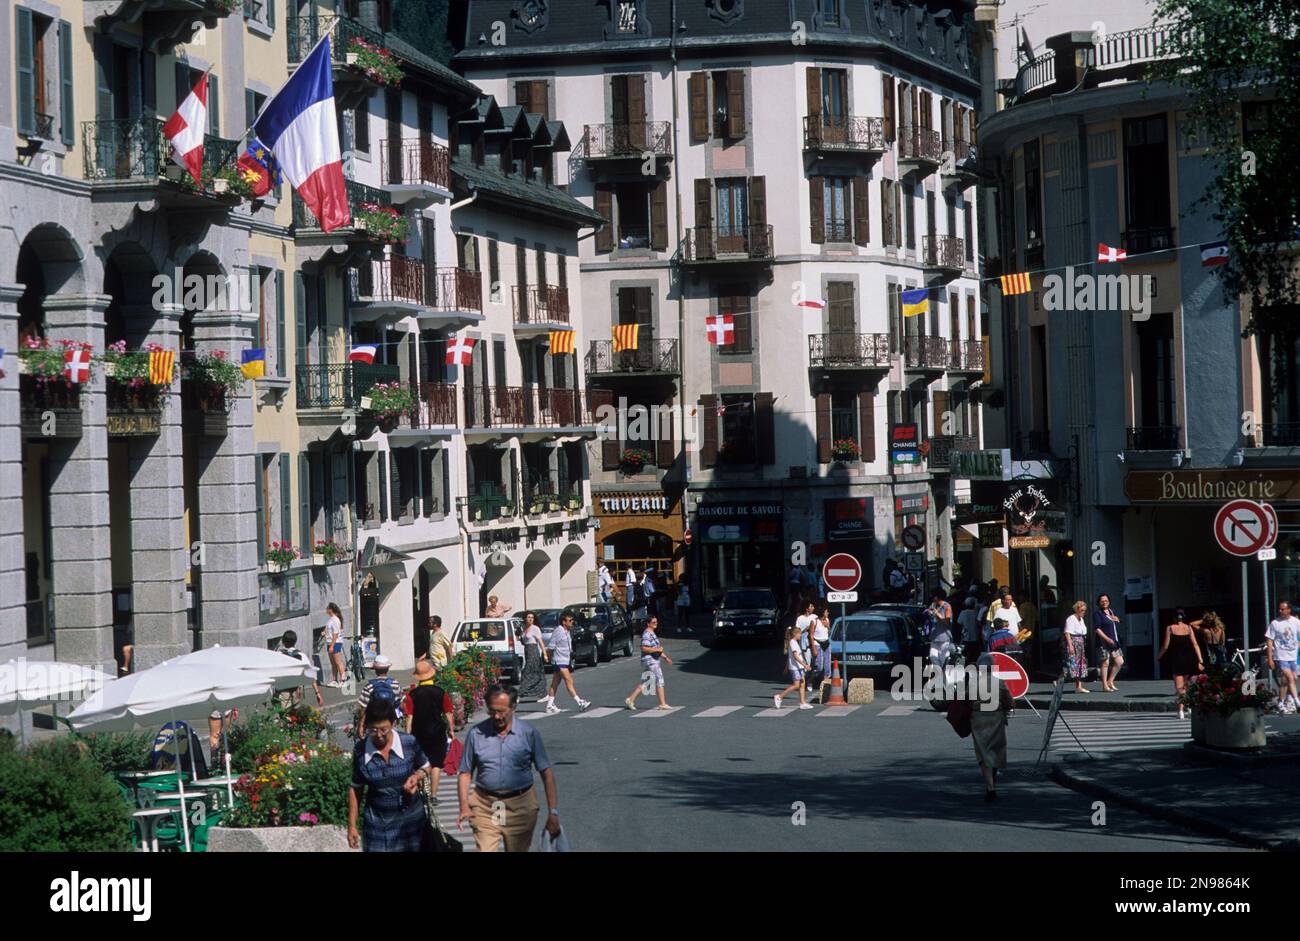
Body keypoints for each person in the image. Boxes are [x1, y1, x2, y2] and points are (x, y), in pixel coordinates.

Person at [457, 686, 560, 853]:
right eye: (492, 711)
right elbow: (465, 773)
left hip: (521, 806)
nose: (496, 716)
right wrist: (464, 807)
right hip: (485, 805)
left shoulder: (528, 733)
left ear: (513, 708)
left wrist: (553, 812)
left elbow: (546, 773)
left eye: (501, 711)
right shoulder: (476, 734)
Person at [347, 699, 432, 852]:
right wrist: (352, 826)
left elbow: (426, 766)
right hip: (377, 826)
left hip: (411, 823)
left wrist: (417, 776)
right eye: (373, 730)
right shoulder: (361, 751)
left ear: (393, 724)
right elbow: (355, 788)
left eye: (383, 729)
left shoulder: (408, 743)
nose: (378, 735)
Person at [403, 659, 455, 795]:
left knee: (419, 763)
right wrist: (451, 729)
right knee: (437, 763)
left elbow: (409, 716)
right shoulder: (440, 692)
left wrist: (407, 733)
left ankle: (422, 792)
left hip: (418, 732)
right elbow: (448, 712)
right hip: (437, 731)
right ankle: (433, 795)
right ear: (432, 675)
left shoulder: (412, 694)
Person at [970, 653, 1013, 802]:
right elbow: (1009, 701)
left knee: (982, 753)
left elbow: (964, 701)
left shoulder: (973, 683)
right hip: (996, 719)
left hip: (977, 720)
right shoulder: (999, 682)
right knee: (995, 751)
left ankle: (990, 787)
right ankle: (991, 781)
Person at [1158, 609, 1205, 719]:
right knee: (1187, 685)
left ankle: (1180, 711)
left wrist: (1159, 656)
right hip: (1189, 659)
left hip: (1176, 659)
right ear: (1183, 617)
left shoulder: (1170, 628)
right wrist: (1200, 659)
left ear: (1174, 617)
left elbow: (1165, 646)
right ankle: (1188, 707)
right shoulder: (1188, 628)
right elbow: (1195, 644)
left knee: (1179, 687)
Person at [543, 613, 591, 713]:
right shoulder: (559, 631)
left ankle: (549, 705)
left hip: (564, 660)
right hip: (559, 661)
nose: (572, 622)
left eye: (572, 620)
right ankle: (580, 702)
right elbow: (551, 646)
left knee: (555, 684)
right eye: (570, 620)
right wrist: (548, 656)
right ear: (564, 622)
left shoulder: (567, 631)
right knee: (569, 680)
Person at [624, 615, 674, 710]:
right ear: (648, 624)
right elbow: (644, 648)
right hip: (650, 661)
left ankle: (630, 699)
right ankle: (662, 703)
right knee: (659, 680)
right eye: (653, 622)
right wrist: (657, 650)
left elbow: (657, 650)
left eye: (656, 622)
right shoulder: (647, 634)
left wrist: (665, 657)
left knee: (645, 682)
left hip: (651, 661)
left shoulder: (652, 633)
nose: (656, 624)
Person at [356, 655, 404, 736]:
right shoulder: (395, 684)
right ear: (388, 668)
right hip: (390, 722)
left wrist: (361, 725)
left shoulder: (369, 686)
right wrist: (398, 719)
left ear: (375, 669)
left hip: (374, 723)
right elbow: (399, 704)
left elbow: (363, 708)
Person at [1266, 600, 1300, 715]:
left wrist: (1297, 646)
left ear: (1289, 610)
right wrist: (1270, 658)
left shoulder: (1296, 622)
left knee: (1291, 679)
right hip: (1280, 656)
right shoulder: (1275, 623)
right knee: (1290, 677)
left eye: (1283, 609)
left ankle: (1281, 702)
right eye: (1279, 609)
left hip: (1292, 656)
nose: (1280, 611)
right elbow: (1269, 640)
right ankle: (1297, 702)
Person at [275, 629, 324, 707]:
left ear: (283, 642)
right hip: (296, 692)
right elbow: (311, 675)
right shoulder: (301, 655)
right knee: (295, 716)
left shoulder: (277, 655)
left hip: (282, 691)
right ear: (295, 642)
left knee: (284, 716)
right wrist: (317, 693)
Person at [774, 624, 815, 710]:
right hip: (795, 668)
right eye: (799, 634)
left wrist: (803, 665)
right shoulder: (792, 642)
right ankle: (779, 697)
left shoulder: (794, 642)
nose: (800, 635)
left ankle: (802, 703)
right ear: (795, 634)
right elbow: (795, 656)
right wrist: (805, 665)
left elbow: (794, 656)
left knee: (802, 684)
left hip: (799, 667)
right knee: (797, 685)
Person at [1092, 595, 1124, 692]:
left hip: (1114, 641)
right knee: (1105, 663)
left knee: (1120, 661)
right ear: (1099, 602)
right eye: (1102, 601)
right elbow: (1097, 629)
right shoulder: (1097, 614)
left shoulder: (1111, 611)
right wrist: (1107, 639)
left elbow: (1116, 622)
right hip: (1104, 642)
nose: (1104, 602)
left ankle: (1110, 681)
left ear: (1109, 602)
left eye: (1106, 601)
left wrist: (1117, 619)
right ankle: (1105, 685)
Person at [517, 611, 549, 700]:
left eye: (532, 617)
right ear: (525, 619)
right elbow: (524, 642)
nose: (531, 619)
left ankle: (519, 695)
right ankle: (544, 694)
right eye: (529, 617)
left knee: (527, 672)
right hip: (527, 651)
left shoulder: (535, 628)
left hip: (533, 652)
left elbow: (540, 641)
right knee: (535, 673)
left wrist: (545, 654)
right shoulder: (525, 629)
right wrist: (518, 636)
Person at [1063, 601, 1091, 694]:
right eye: (1082, 610)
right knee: (1072, 664)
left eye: (1085, 610)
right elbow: (1067, 633)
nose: (1084, 612)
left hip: (1080, 643)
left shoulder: (1081, 619)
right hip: (1074, 643)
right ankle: (1059, 680)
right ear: (1077, 609)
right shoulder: (1071, 619)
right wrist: (1070, 646)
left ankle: (1079, 686)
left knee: (1079, 665)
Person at [324, 602, 345, 686]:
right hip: (329, 642)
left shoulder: (335, 620)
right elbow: (329, 630)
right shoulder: (331, 619)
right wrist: (324, 632)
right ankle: (334, 680)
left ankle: (343, 680)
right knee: (333, 662)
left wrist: (332, 646)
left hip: (335, 642)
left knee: (338, 662)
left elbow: (335, 634)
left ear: (330, 610)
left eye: (327, 608)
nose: (326, 610)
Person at [812, 605, 832, 689]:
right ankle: (811, 678)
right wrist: (813, 648)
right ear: (822, 612)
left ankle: (825, 685)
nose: (828, 613)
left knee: (827, 665)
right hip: (817, 643)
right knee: (819, 666)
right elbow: (811, 635)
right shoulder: (814, 621)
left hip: (826, 643)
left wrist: (827, 625)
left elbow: (829, 632)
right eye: (826, 611)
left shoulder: (827, 620)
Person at [958, 597, 983, 663]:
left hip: (966, 638)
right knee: (974, 656)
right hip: (975, 637)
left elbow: (959, 623)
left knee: (965, 656)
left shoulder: (963, 613)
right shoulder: (977, 612)